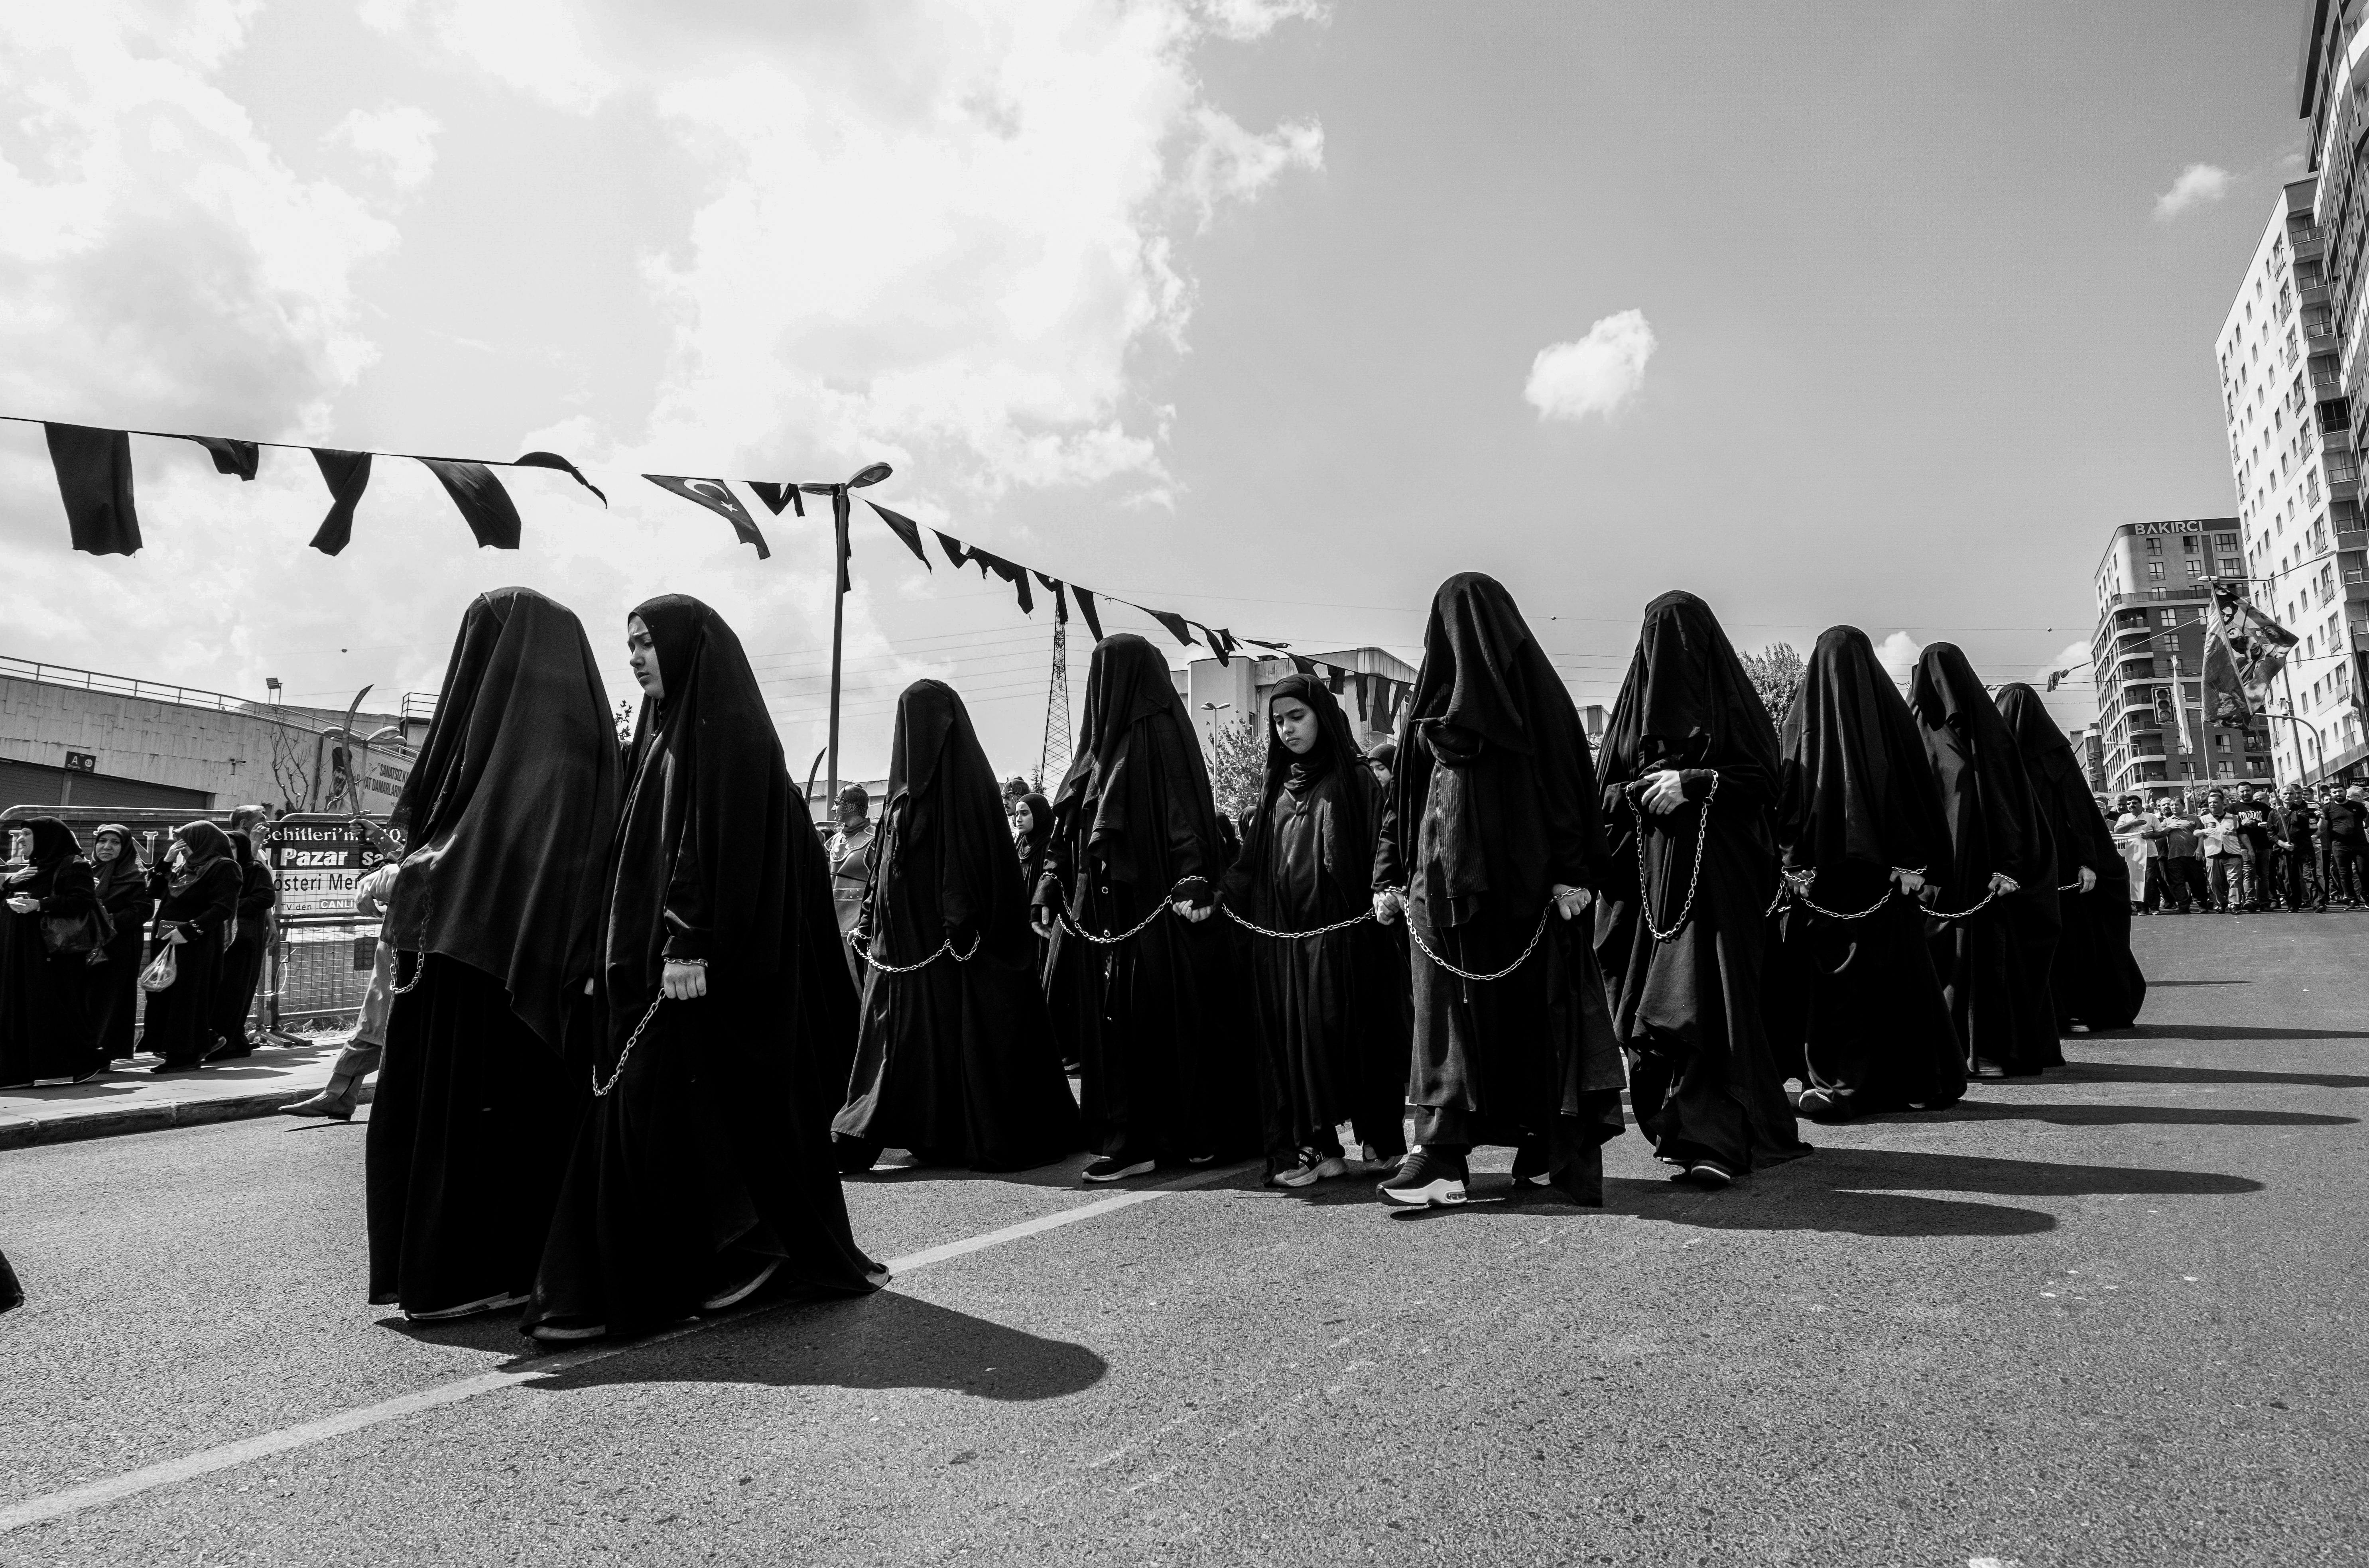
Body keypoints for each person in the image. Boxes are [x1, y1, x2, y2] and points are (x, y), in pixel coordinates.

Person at [526, 595, 882, 1344]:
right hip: (653, 971)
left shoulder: (731, 734)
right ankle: (732, 1258)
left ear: (688, 647)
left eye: (648, 643)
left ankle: (653, 1278)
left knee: (668, 1114)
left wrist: (687, 940)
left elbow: (711, 839)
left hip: (697, 971)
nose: (635, 656)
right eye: (629, 644)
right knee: (696, 1118)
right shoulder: (661, 734)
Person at [366, 587, 618, 1323]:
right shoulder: (574, 743)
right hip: (505, 971)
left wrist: (405, 877)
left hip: (491, 978)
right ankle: (503, 1262)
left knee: (474, 1124)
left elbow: (494, 855)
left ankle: (475, 1269)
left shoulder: (544, 752)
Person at [1594, 590, 1806, 1186]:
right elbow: (1603, 795)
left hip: (1719, 884)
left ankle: (1720, 1139)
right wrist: (1639, 790)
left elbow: (1764, 779)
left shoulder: (1735, 708)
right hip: (1648, 888)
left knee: (1707, 1002)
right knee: (1649, 1007)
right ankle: (1677, 1132)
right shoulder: (1629, 717)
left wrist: (1696, 780)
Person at [1029, 633, 1257, 1181]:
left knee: (1159, 1022)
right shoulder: (1091, 751)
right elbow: (1066, 827)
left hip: (1154, 912)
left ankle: (1178, 1136)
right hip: (1099, 921)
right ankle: (1127, 1137)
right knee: (1111, 1030)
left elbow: (1183, 808)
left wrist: (1192, 878)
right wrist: (1049, 884)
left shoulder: (1157, 733)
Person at [830, 680, 1081, 1173]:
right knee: (893, 1037)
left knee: (933, 1040)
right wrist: (868, 920)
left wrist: (957, 920)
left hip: (948, 952)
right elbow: (883, 868)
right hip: (898, 951)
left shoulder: (969, 793)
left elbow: (975, 870)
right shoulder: (900, 799)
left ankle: (900, 1130)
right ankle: (869, 1129)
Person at [1762, 627, 1964, 1121]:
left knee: (1840, 987)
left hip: (1848, 884)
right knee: (1883, 984)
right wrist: (1914, 864)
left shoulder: (1801, 724)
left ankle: (1843, 1082)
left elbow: (1787, 798)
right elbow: (1918, 798)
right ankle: (1889, 1079)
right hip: (1864, 883)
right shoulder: (1891, 721)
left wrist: (1792, 862)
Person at [1220, 673, 1410, 1187]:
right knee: (1297, 1045)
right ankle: (1318, 1148)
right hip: (1287, 945)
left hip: (1350, 942)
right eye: (1278, 720)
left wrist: (1385, 891)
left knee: (1353, 1034)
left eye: (1296, 717)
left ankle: (1381, 1139)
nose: (1286, 729)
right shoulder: (1275, 790)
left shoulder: (1357, 779)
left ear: (1321, 716)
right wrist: (1210, 891)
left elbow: (1385, 848)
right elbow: (1251, 864)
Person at [1907, 644, 2060, 1077]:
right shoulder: (1915, 730)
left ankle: (1989, 1050)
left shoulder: (1990, 734)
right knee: (1941, 960)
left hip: (1985, 870)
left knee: (1989, 963)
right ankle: (1944, 1050)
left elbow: (2013, 803)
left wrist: (2009, 865)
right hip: (1936, 872)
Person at [1996, 683, 2145, 1032]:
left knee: (2043, 936)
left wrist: (2085, 862)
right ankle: (2055, 1010)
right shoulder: (2045, 751)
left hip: (2027, 862)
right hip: (2052, 859)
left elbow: (2077, 811)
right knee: (2062, 937)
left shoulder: (2001, 752)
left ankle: (2054, 1011)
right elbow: (2080, 813)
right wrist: (2085, 861)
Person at [282, 824, 402, 1121]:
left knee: (374, 1031)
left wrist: (382, 864)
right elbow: (407, 856)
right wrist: (375, 834)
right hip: (391, 968)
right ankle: (337, 1095)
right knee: (371, 1030)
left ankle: (338, 1096)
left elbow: (410, 862)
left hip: (405, 972)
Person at [0, 818, 101, 1087]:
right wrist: (8, 884)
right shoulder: (32, 869)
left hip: (54, 956)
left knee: (50, 1009)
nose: (20, 840)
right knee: (20, 1010)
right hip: (22, 954)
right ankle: (21, 1070)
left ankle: (66, 1068)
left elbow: (83, 901)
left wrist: (39, 905)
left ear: (46, 838)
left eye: (26, 834)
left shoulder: (73, 865)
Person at [136, 822, 243, 1074]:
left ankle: (186, 1055)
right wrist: (166, 861)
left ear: (201, 841)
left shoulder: (224, 867)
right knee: (164, 995)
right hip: (168, 942)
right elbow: (155, 890)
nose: (180, 846)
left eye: (185, 841)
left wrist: (188, 931)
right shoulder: (185, 868)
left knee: (187, 998)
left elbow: (222, 909)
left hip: (196, 946)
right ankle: (171, 1048)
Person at [83, 823, 154, 1071]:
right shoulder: (87, 871)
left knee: (109, 1000)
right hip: (87, 946)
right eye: (103, 842)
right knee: (86, 1000)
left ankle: (104, 1053)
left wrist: (108, 921)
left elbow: (143, 910)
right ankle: (86, 1051)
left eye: (115, 843)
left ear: (125, 848)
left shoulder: (135, 875)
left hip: (118, 947)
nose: (107, 847)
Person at [204, 830, 276, 1060]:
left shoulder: (254, 869)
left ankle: (230, 1042)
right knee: (216, 991)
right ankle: (227, 1042)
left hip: (244, 940)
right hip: (217, 939)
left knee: (235, 991)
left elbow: (265, 899)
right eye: (225, 847)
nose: (228, 852)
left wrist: (230, 905)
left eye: (233, 847)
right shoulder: (216, 868)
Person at [826, 784, 875, 982]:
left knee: (858, 983)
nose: (833, 808)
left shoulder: (875, 840)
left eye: (838, 803)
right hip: (831, 922)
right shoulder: (833, 841)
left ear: (852, 806)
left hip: (859, 925)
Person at [2272, 783, 2321, 913]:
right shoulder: (2273, 813)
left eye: (2291, 794)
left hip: (2304, 849)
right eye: (2285, 794)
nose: (2288, 796)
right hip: (2285, 850)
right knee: (2289, 878)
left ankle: (2318, 903)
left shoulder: (2303, 809)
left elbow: (2305, 822)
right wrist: (2282, 844)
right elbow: (2271, 832)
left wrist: (2288, 813)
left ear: (2295, 796)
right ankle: (2293, 904)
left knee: (2310, 876)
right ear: (2280, 796)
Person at [2196, 788, 2245, 913]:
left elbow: (2243, 835)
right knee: (2214, 882)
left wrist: (2249, 849)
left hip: (2233, 853)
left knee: (2234, 881)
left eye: (2215, 802)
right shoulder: (2204, 819)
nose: (2212, 805)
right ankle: (2221, 902)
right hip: (2213, 855)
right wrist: (2204, 831)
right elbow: (2196, 833)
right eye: (2210, 803)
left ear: (2223, 804)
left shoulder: (2234, 818)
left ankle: (2234, 904)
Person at [2325, 782, 2369, 907]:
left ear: (2345, 792)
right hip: (2340, 845)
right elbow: (2323, 828)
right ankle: (2352, 899)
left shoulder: (2358, 806)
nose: (2338, 794)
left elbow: (2367, 821)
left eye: (2340, 791)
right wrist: (2322, 818)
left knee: (2364, 871)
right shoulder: (2327, 808)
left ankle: (2367, 897)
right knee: (2345, 873)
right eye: (2335, 792)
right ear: (2331, 794)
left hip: (2360, 844)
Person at [2108, 796, 2152, 915]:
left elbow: (2160, 833)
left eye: (2134, 803)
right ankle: (2141, 908)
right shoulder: (2124, 817)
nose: (2130, 805)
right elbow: (2117, 831)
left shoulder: (2151, 817)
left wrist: (2150, 835)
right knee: (2134, 880)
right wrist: (2133, 823)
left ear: (2141, 804)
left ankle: (2154, 907)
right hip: (2131, 856)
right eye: (2129, 804)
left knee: (2150, 880)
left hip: (2149, 854)